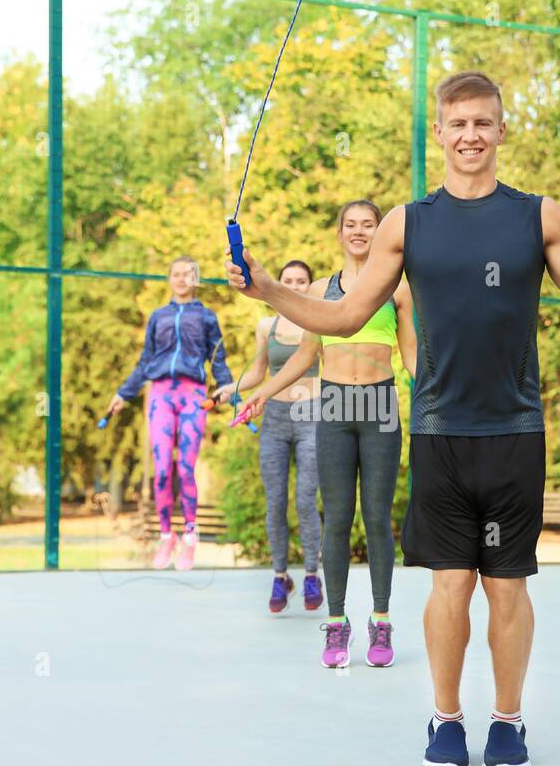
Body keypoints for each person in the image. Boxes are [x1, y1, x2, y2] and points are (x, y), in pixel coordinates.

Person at [225, 70, 560, 766]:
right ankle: (444, 720)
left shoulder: (539, 216)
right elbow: (344, 316)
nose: (470, 135)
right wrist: (262, 289)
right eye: (457, 123)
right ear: (439, 133)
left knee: (507, 585)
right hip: (439, 432)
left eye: (482, 123)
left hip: (514, 432)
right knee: (449, 586)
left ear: (502, 131)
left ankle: (508, 722)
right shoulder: (408, 222)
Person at [239, 201, 417, 668]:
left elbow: (413, 356)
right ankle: (336, 625)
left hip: (379, 404)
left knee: (377, 519)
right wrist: (264, 393)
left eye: (368, 225)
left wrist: (441, 393)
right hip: (334, 404)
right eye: (351, 225)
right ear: (339, 234)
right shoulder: (320, 289)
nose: (359, 232)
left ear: (381, 234)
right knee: (336, 518)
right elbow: (305, 356)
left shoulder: (398, 290)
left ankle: (381, 620)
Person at [108, 256, 232, 572]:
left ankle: (190, 536)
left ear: (197, 279)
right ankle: (167, 536)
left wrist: (227, 386)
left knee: (186, 468)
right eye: (176, 274)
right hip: (161, 394)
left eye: (188, 274)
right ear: (169, 279)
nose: (181, 278)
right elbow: (145, 361)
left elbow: (218, 359)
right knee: (162, 469)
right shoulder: (158, 317)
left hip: (192, 395)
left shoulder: (206, 317)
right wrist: (124, 393)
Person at [215, 260, 324, 614]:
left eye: (301, 280)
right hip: (274, 419)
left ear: (310, 285)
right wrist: (230, 388)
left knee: (306, 499)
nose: (294, 285)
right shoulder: (267, 325)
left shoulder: (319, 321)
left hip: (312, 416)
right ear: (280, 283)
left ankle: (311, 574)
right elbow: (258, 372)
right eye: (288, 280)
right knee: (275, 501)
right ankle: (280, 576)